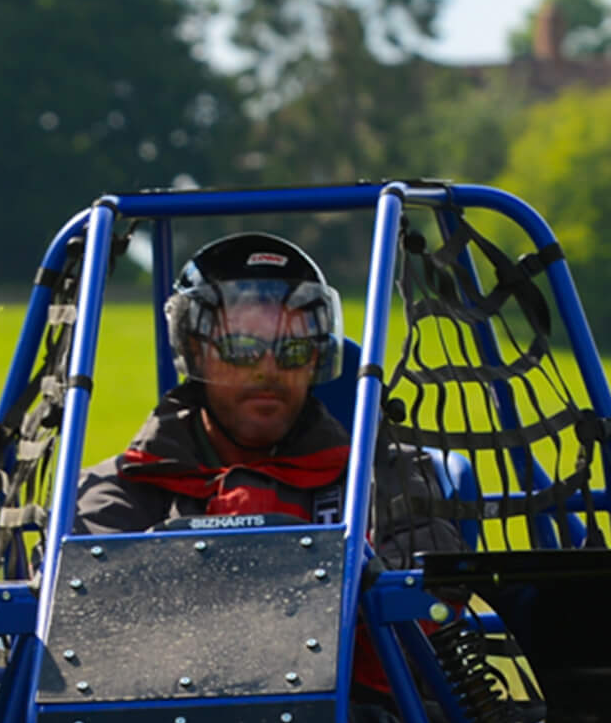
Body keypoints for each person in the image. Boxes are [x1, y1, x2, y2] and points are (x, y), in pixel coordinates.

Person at [75, 231, 460, 563]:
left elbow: (426, 599)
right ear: (196, 354)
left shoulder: (382, 478)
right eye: (242, 348)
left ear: (315, 361)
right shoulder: (114, 491)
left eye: (293, 349)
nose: (268, 369)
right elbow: (87, 607)